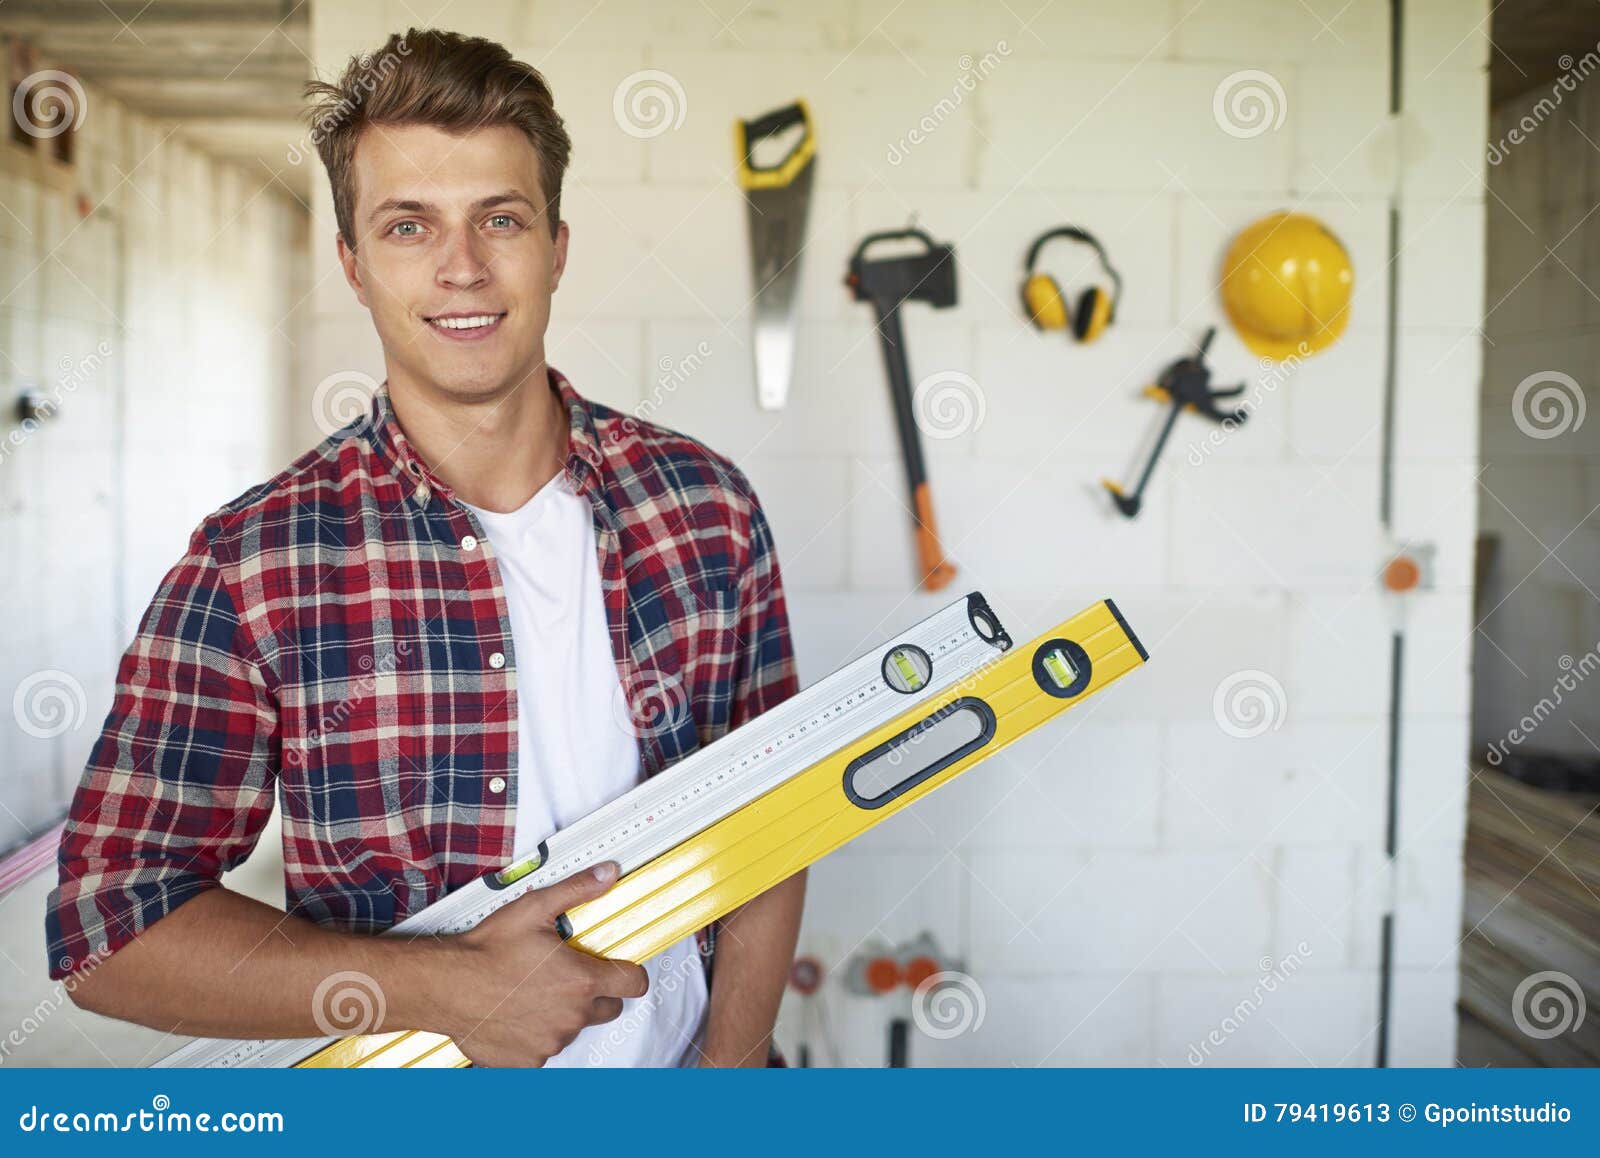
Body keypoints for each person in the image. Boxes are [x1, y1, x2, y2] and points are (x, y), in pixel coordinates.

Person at [45, 27, 804, 1069]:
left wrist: (726, 1086)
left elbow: (777, 814)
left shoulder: (704, 507)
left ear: (556, 246)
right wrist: (451, 990)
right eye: (409, 226)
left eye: (501, 218)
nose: (462, 267)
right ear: (354, 266)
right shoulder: (257, 564)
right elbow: (110, 934)